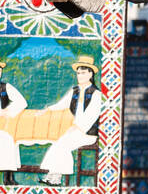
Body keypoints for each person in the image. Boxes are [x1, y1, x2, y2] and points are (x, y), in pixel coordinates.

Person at [40, 55, 102, 183]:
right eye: (78, 73)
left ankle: (57, 178)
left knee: (63, 145)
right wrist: (47, 109)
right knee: (58, 144)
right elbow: (62, 104)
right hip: (75, 131)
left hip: (88, 133)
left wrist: (76, 127)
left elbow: (90, 116)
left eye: (83, 73)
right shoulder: (75, 91)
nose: (80, 76)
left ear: (90, 74)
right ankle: (52, 175)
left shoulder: (96, 94)